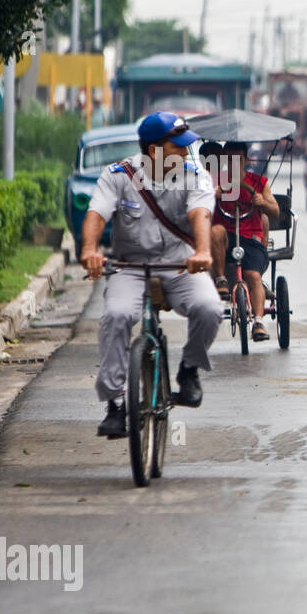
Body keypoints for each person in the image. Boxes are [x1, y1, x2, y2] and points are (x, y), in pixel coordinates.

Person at [80, 111, 221, 438]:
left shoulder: (194, 173)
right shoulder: (118, 175)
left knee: (210, 309)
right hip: (129, 267)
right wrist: (90, 250)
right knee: (115, 316)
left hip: (181, 264)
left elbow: (200, 213)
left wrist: (202, 252)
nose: (187, 152)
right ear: (155, 150)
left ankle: (189, 368)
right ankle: (115, 404)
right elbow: (96, 213)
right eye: (179, 146)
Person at [209, 141, 280, 342]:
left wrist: (262, 202)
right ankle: (221, 280)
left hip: (250, 238)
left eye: (237, 160)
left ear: (246, 160)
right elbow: (194, 206)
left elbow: (275, 211)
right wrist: (212, 195)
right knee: (216, 230)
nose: (233, 164)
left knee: (252, 275)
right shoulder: (214, 181)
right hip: (224, 239)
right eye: (228, 159)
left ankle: (258, 321)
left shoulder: (259, 182)